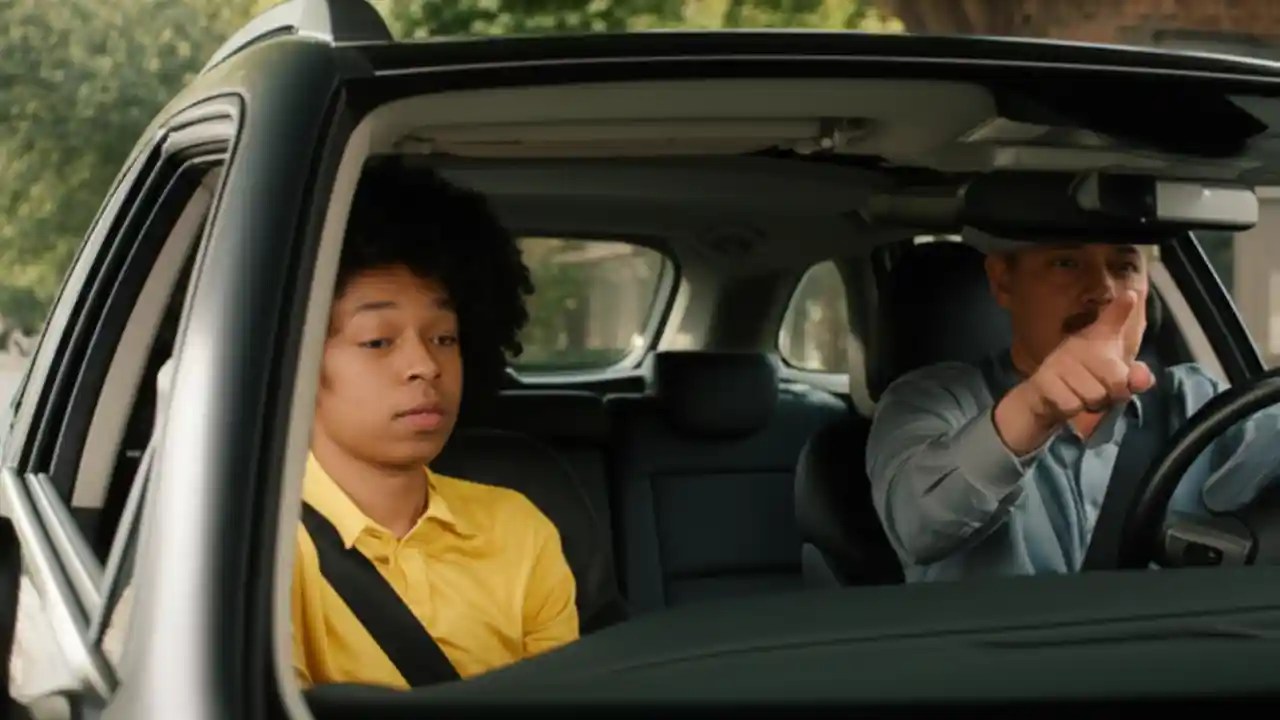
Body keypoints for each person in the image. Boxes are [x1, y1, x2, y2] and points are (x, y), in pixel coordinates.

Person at [289, 159, 578, 687]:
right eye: (378, 340)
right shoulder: (260, 545)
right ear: (295, 359)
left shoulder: (518, 527)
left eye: (443, 337)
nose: (425, 365)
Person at [865, 228, 1280, 582]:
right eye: (1066, 263)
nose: (1102, 291)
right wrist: (1032, 411)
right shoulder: (930, 401)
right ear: (1003, 281)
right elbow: (917, 526)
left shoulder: (1196, 402)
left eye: (1123, 267)